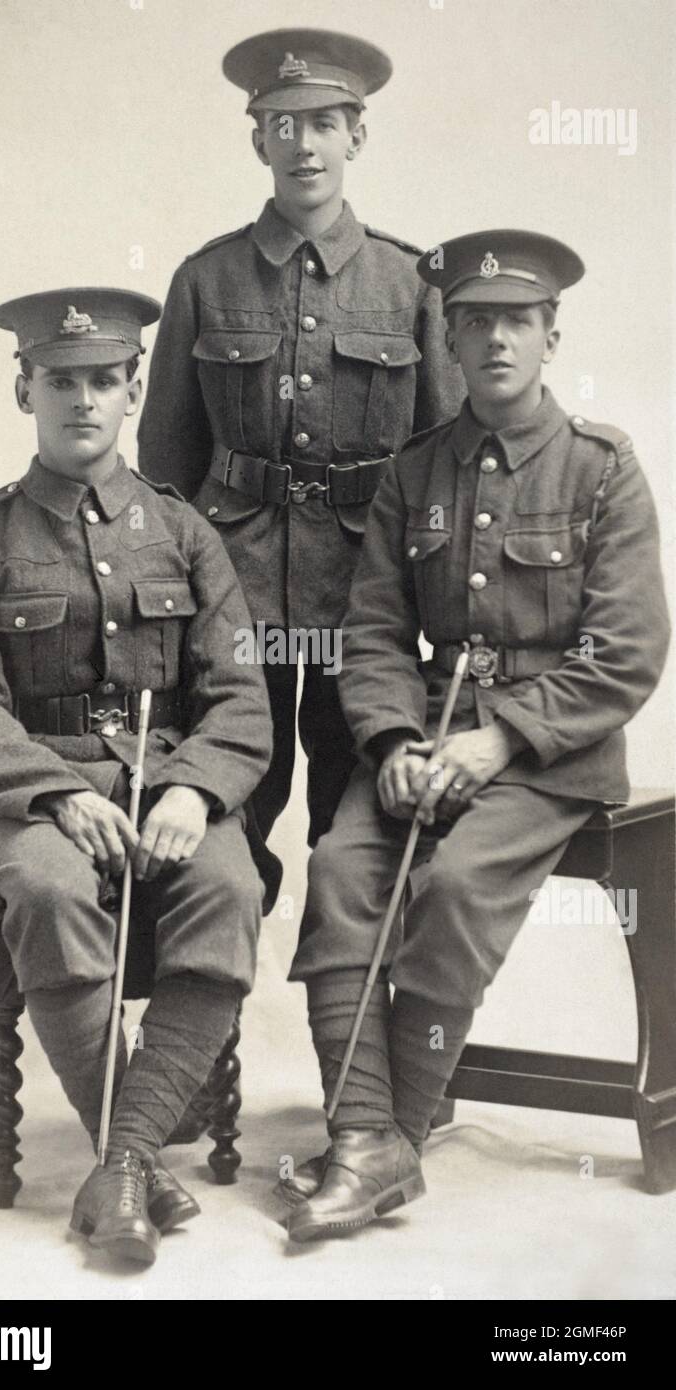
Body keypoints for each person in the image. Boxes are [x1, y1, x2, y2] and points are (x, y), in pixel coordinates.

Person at [279, 230, 671, 1241]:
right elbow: (369, 631)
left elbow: (627, 650)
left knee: (451, 888)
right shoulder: (415, 471)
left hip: (551, 753)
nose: (495, 338)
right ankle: (369, 1141)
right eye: (474, 321)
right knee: (335, 869)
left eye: (515, 320)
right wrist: (391, 741)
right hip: (426, 735)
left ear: (549, 334)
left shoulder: (600, 468)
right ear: (446, 339)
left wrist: (498, 742)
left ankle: (383, 1133)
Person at [0, 288, 275, 1267]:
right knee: (43, 883)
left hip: (165, 782)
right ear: (23, 389)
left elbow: (240, 694)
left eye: (103, 382)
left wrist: (193, 792)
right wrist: (59, 793)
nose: (83, 400)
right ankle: (138, 1166)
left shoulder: (185, 534)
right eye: (60, 382)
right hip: (37, 791)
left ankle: (116, 1166)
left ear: (130, 392)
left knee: (229, 882)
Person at [137, 27, 462, 851]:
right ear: (258, 141)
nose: (304, 144)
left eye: (323, 123)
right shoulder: (205, 279)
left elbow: (443, 460)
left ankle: (353, 983)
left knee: (362, 822)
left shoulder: (411, 283)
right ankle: (213, 982)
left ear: (357, 134)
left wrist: (421, 594)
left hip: (365, 601)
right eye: (284, 125)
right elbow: (166, 460)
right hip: (233, 596)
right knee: (217, 820)